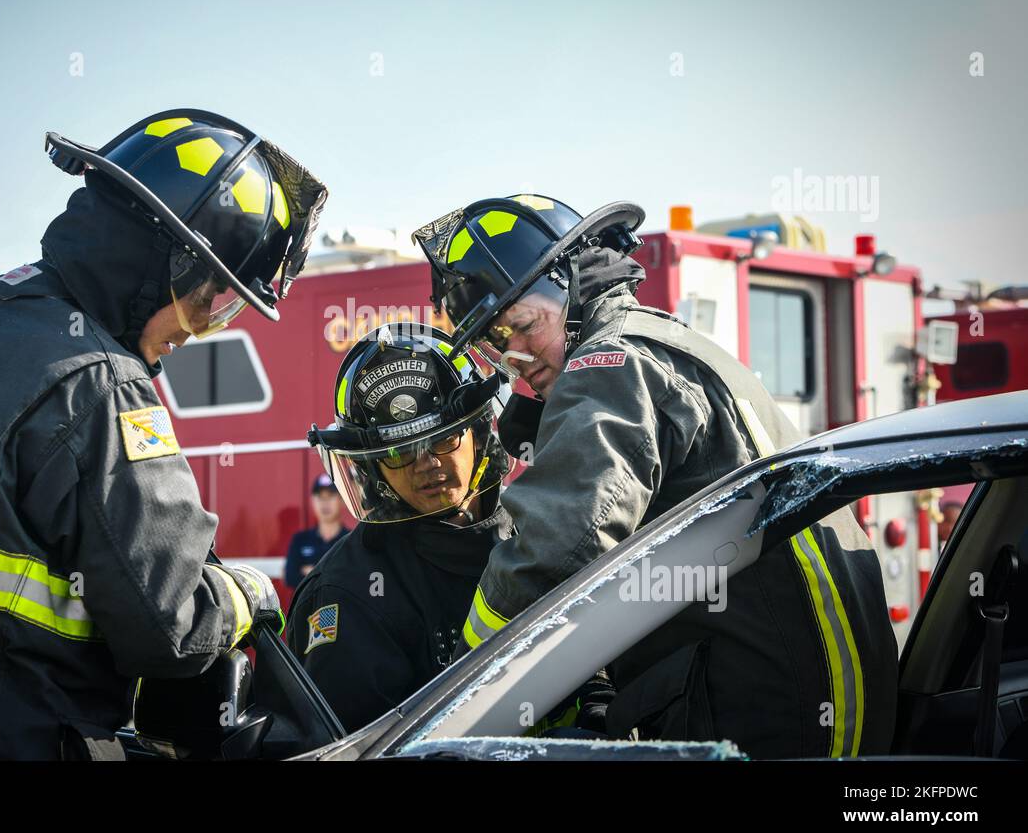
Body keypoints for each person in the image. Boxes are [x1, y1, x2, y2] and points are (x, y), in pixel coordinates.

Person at [0, 109, 328, 760]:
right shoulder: (101, 385)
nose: (195, 333)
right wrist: (244, 593)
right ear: (161, 262)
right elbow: (170, 625)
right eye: (208, 303)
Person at [413, 193, 898, 758]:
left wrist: (460, 685)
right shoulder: (655, 343)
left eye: (523, 326)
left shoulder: (613, 362)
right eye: (498, 346)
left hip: (770, 702)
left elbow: (558, 547)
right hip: (803, 686)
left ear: (569, 285)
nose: (517, 357)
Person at [287, 324, 513, 731]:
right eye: (399, 451)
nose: (426, 464)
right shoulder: (349, 591)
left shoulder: (532, 537)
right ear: (373, 470)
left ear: (478, 433)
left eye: (444, 438)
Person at [283, 474, 351, 587]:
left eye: (330, 496)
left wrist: (311, 572)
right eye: (320, 497)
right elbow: (290, 577)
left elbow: (353, 578)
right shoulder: (300, 540)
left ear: (342, 500)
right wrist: (334, 574)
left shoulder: (352, 540)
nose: (325, 503)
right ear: (313, 501)